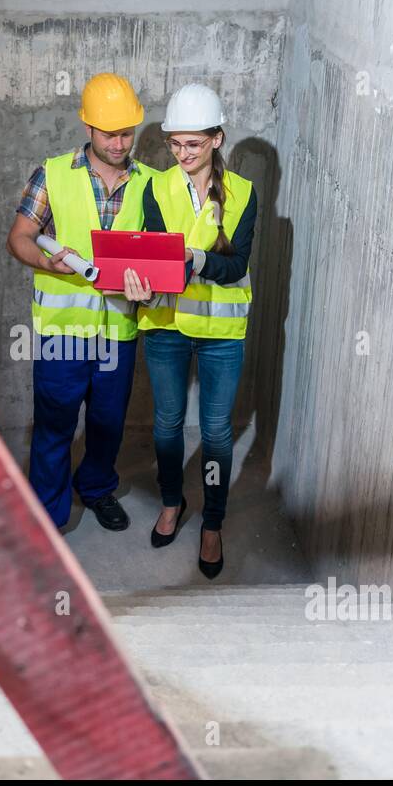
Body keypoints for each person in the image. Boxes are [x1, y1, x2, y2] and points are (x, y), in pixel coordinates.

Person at [5, 73, 152, 531]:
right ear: (87, 127)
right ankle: (48, 513)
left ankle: (96, 489)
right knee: (54, 426)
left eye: (127, 132)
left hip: (118, 332)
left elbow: (159, 253)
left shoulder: (151, 182)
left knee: (108, 423)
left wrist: (149, 284)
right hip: (62, 332)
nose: (120, 142)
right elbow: (19, 239)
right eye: (110, 133)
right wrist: (51, 266)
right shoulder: (52, 174)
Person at [127, 83, 258, 578]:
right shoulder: (155, 187)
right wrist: (138, 285)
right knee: (167, 422)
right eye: (175, 144)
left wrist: (196, 258)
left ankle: (213, 522)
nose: (182, 154)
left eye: (194, 145)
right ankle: (170, 502)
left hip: (222, 329)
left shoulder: (243, 193)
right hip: (166, 324)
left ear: (218, 139)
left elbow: (236, 265)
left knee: (218, 430)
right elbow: (156, 260)